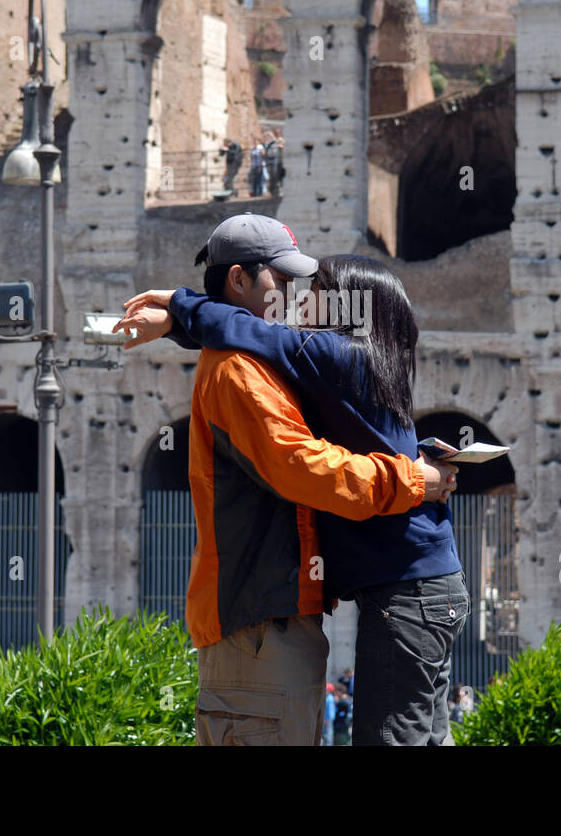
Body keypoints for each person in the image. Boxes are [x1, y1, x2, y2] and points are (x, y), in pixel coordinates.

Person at [115, 215, 455, 747]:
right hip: (258, 624)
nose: (296, 296)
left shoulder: (304, 357)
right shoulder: (239, 369)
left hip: (280, 622)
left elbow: (255, 333)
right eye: (283, 279)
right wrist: (412, 477)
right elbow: (302, 467)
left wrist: (181, 312)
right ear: (239, 280)